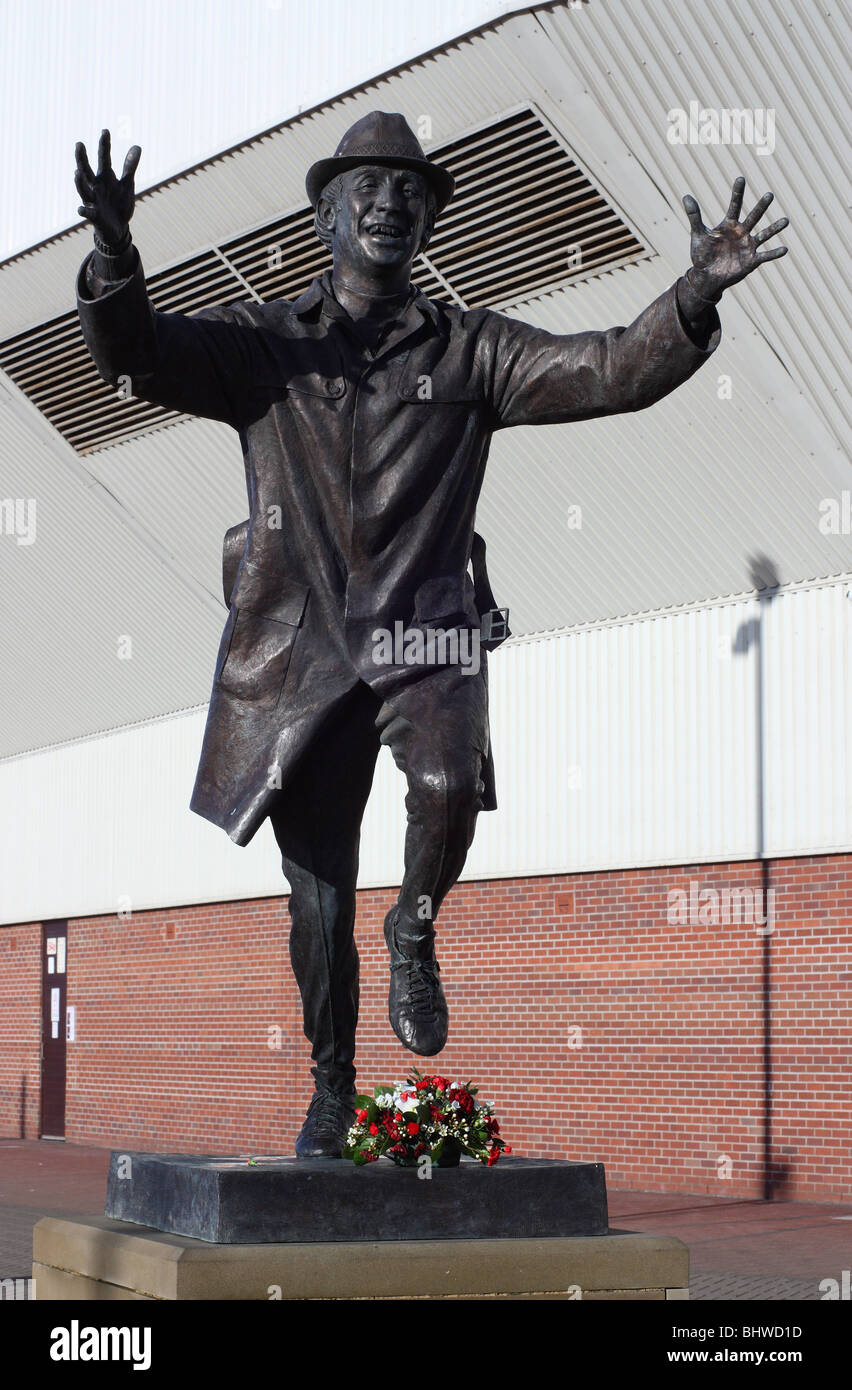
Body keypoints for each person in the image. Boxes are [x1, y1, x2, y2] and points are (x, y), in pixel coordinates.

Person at [74, 111, 788, 1156]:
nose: (388, 202)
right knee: (317, 905)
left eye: (409, 189)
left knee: (450, 784)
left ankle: (415, 924)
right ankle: (330, 1088)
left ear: (430, 220)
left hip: (425, 638)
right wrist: (114, 252)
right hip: (302, 657)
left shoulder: (472, 351)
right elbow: (130, 354)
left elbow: (606, 368)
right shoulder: (264, 346)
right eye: (366, 185)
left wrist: (691, 294)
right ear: (325, 212)